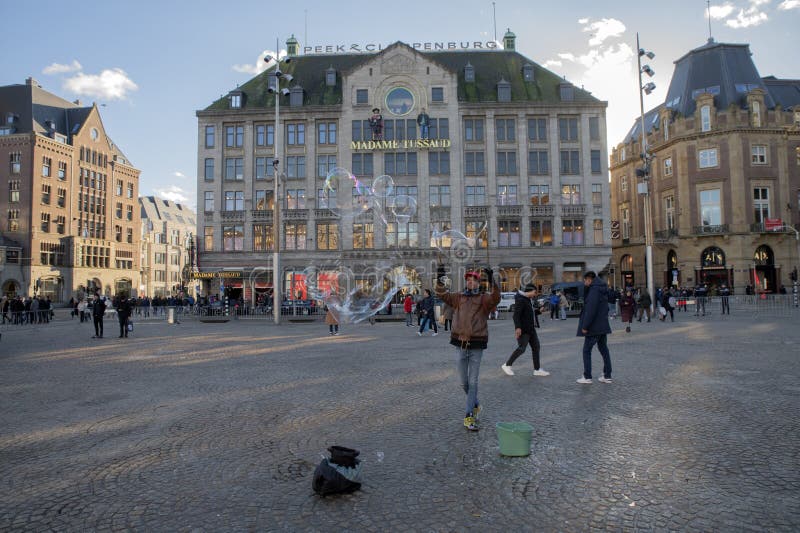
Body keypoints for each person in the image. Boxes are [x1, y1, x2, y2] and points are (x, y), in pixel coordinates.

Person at [435, 269, 501, 431]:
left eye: (474, 280)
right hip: (460, 344)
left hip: (476, 345)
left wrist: (492, 280)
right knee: (464, 382)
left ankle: (469, 415)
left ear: (479, 283)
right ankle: (476, 404)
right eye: (468, 280)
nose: (470, 282)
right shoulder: (458, 297)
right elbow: (442, 294)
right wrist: (439, 279)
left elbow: (496, 298)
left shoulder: (484, 299)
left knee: (473, 382)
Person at [501, 283, 550, 377]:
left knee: (536, 347)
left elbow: (529, 314)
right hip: (524, 329)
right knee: (521, 348)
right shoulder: (521, 300)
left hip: (531, 329)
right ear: (530, 291)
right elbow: (516, 315)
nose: (535, 294)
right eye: (535, 292)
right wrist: (518, 328)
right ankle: (507, 365)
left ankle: (537, 369)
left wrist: (539, 311)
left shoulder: (527, 300)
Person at [576, 271, 613, 384]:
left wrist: (585, 326)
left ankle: (587, 376)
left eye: (585, 280)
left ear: (589, 279)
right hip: (603, 325)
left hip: (593, 327)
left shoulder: (594, 290)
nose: (584, 282)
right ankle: (607, 375)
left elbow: (590, 310)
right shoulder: (602, 289)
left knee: (586, 351)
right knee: (604, 350)